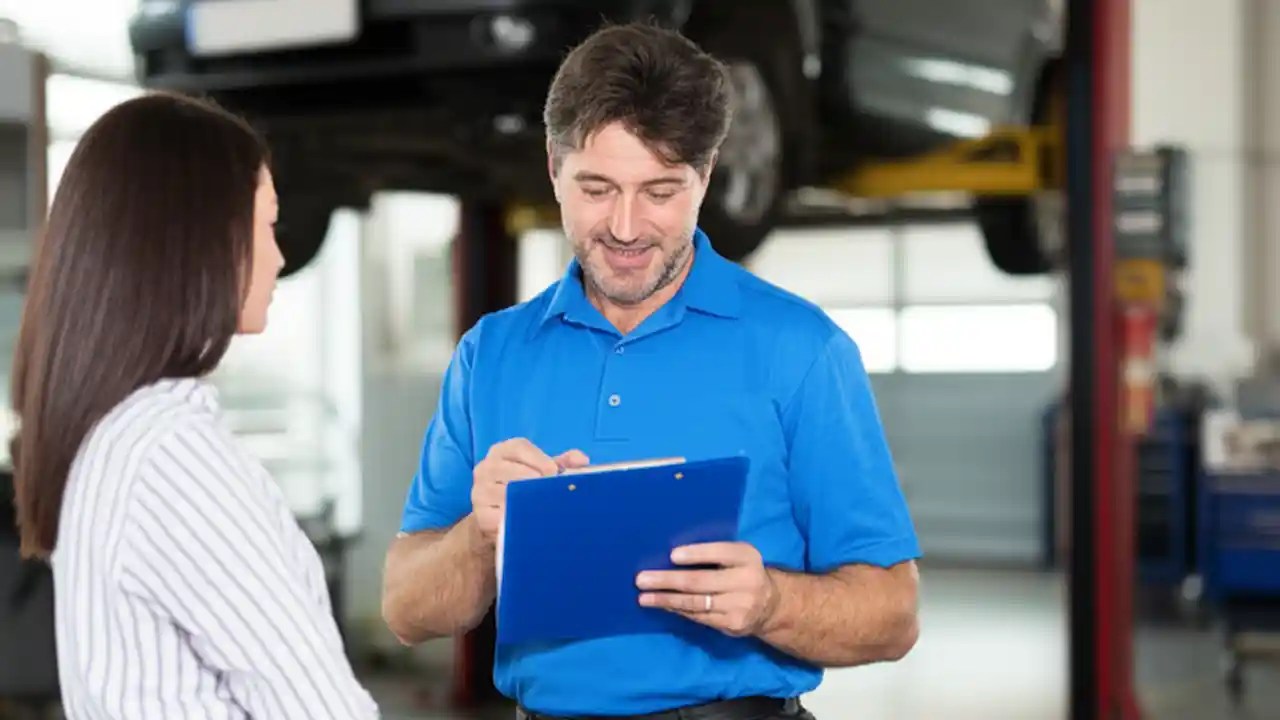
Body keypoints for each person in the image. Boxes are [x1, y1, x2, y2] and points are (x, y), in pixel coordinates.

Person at [382, 21, 921, 720]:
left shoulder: (801, 349)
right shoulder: (492, 353)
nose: (628, 228)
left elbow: (894, 613)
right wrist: (480, 536)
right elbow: (404, 609)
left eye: (660, 191)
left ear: (706, 173)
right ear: (553, 166)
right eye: (597, 188)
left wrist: (770, 603)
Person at [9, 92, 379, 719]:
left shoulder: (114, 435)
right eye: (267, 224)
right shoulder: (171, 456)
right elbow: (315, 707)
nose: (280, 257)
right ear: (202, 238)